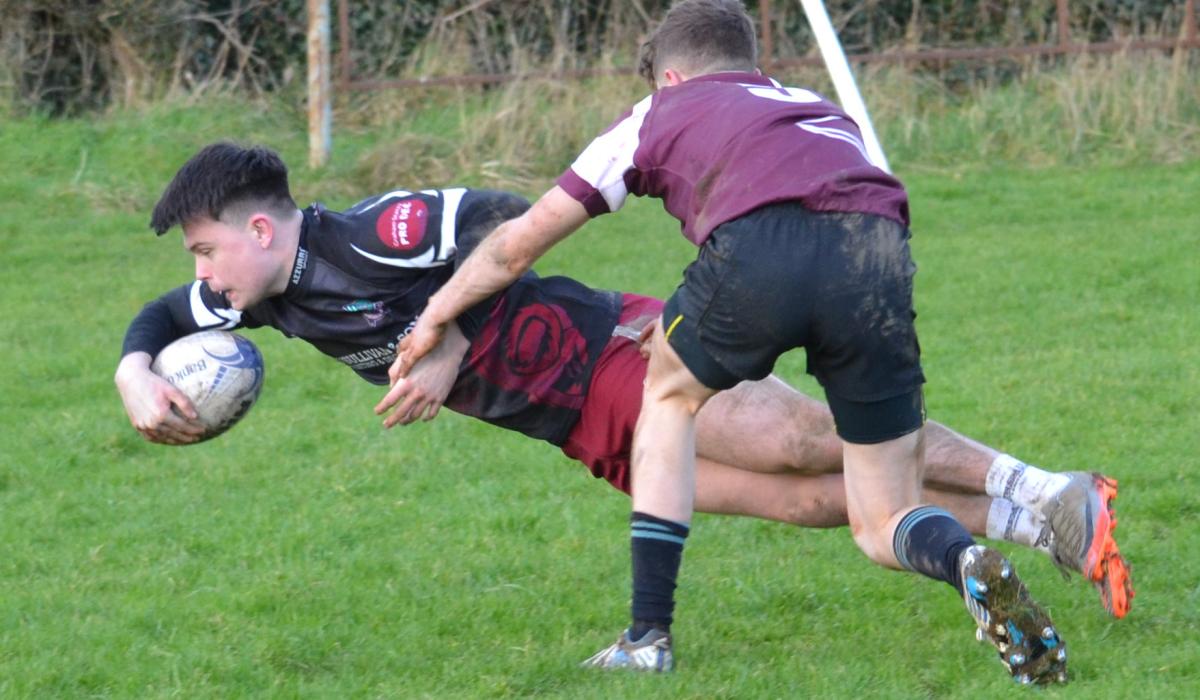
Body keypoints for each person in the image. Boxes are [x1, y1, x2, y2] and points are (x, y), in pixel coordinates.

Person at [115, 144, 1131, 676]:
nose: (201, 272)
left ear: (258, 227)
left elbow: (506, 222)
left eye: (206, 248)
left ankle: (1030, 486)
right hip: (583, 433)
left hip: (621, 356)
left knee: (806, 437)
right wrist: (134, 377)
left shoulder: (376, 232)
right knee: (813, 501)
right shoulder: (264, 296)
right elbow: (161, 315)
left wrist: (452, 339)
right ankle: (1046, 515)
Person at [390, 0, 1105, 683]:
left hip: (762, 250)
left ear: (669, 76)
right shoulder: (816, 105)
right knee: (879, 514)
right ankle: (964, 560)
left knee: (664, 391)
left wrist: (433, 318)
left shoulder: (654, 114)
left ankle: (647, 637)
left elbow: (514, 247)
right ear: (748, 62)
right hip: (879, 256)